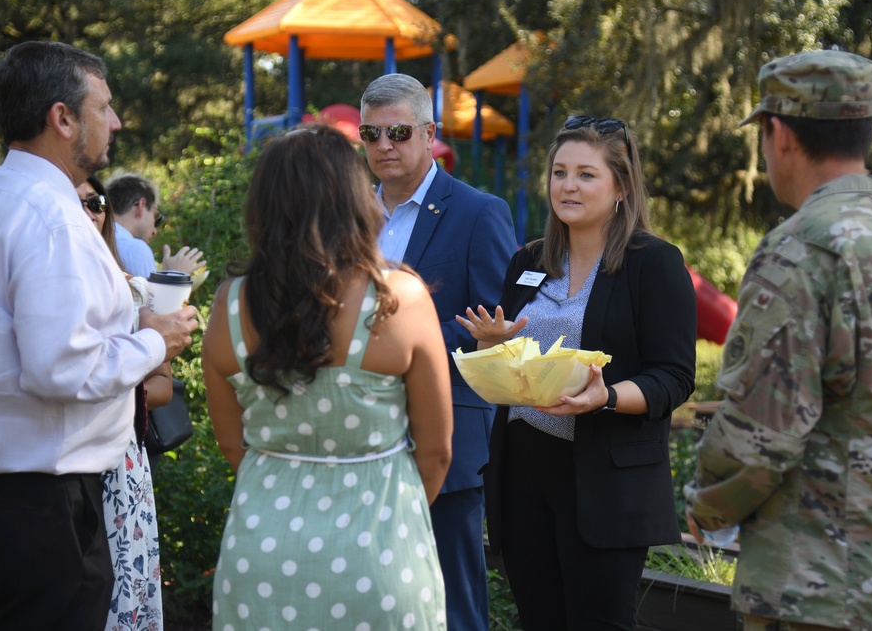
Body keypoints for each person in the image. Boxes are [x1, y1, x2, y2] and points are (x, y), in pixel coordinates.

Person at [684, 50, 872, 631]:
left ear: (778, 134)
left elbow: (759, 436)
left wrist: (707, 505)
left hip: (831, 590)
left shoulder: (803, 250)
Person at [0, 40, 198, 630]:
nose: (115, 122)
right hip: (44, 509)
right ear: (62, 118)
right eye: (103, 107)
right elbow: (60, 369)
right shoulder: (52, 218)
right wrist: (156, 339)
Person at [203, 125, 454, 629]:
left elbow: (234, 446)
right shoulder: (400, 298)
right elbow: (436, 451)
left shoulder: (230, 305)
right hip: (380, 552)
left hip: (262, 549)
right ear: (353, 199)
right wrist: (391, 508)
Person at [457, 115, 697, 629]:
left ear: (621, 186)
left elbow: (674, 376)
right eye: (559, 172)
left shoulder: (653, 263)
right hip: (524, 477)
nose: (567, 185)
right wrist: (496, 348)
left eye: (586, 174)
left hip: (602, 480)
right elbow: (521, 367)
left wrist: (605, 397)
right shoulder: (529, 259)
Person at [360, 73, 517, 630]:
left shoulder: (478, 211)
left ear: (431, 133)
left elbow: (498, 327)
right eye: (371, 134)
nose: (384, 146)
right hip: (360, 436)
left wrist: (399, 343)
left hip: (447, 436)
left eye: (398, 132)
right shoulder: (350, 213)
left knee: (454, 604)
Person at [78, 175, 169, 630]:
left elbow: (164, 385)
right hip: (54, 470)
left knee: (123, 591)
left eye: (94, 202)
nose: (87, 212)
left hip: (121, 465)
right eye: (75, 202)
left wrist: (107, 389)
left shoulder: (134, 289)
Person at [107, 171, 206, 278]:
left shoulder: (96, 237)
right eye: (156, 217)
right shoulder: (135, 249)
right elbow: (152, 295)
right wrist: (175, 275)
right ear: (141, 206)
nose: (155, 230)